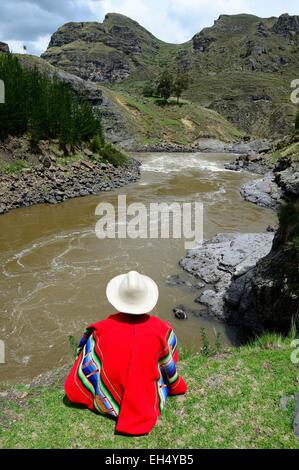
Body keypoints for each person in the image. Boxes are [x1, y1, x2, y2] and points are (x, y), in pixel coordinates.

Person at [64, 270, 188, 436]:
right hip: (146, 399)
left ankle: (110, 399)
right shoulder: (164, 330)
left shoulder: (100, 330)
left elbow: (86, 360)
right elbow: (169, 362)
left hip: (106, 402)